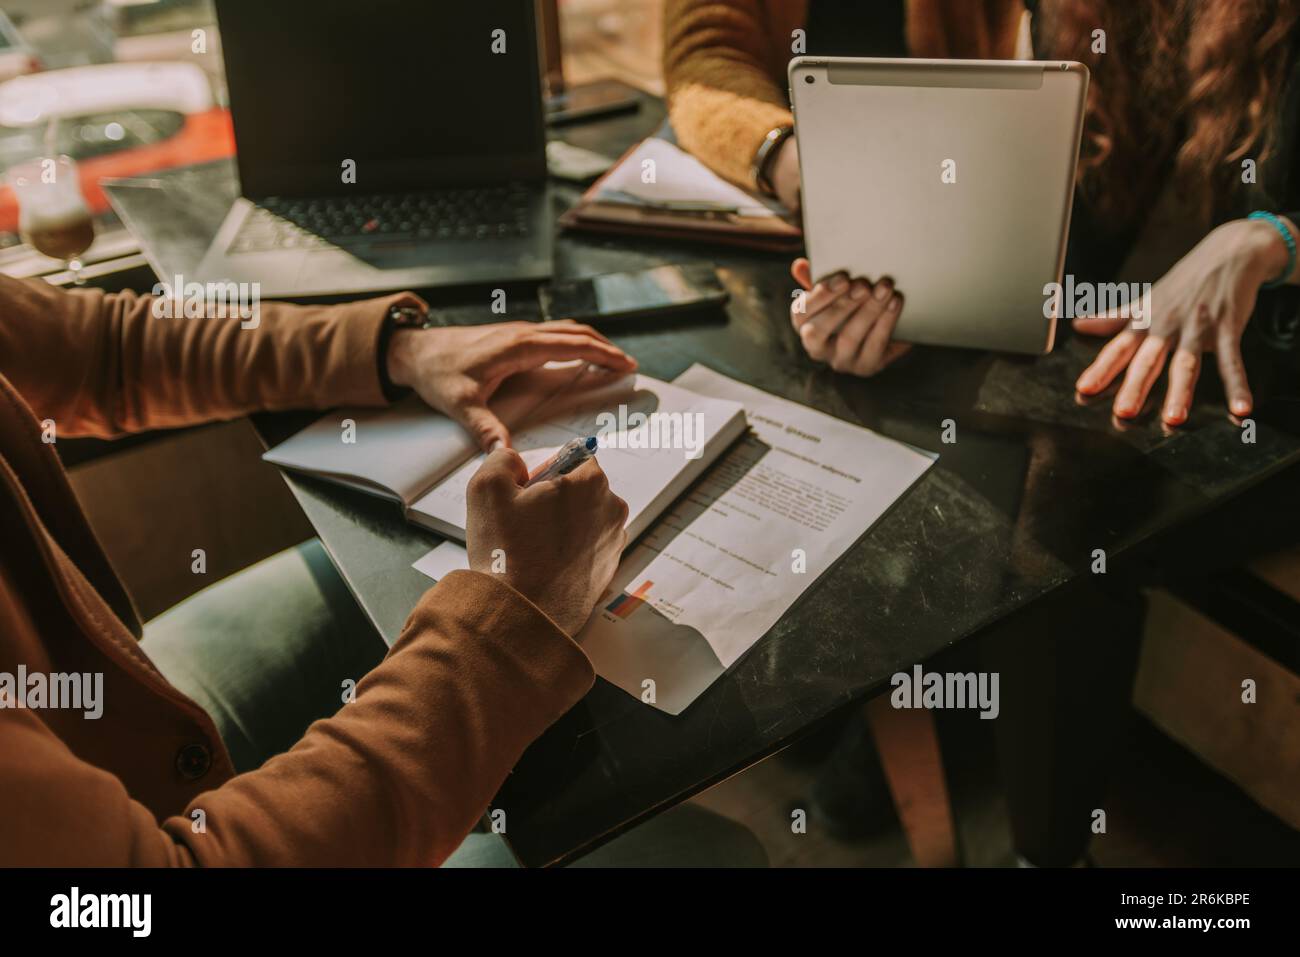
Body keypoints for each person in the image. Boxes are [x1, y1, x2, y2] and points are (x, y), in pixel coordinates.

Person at [0, 274, 765, 866]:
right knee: (702, 855)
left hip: (91, 723)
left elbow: (104, 348)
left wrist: (396, 351)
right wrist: (510, 609)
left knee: (350, 579)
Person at [663, 0, 1300, 423]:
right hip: (1084, 354)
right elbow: (703, 59)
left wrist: (1273, 239)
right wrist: (927, 301)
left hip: (1257, 379)